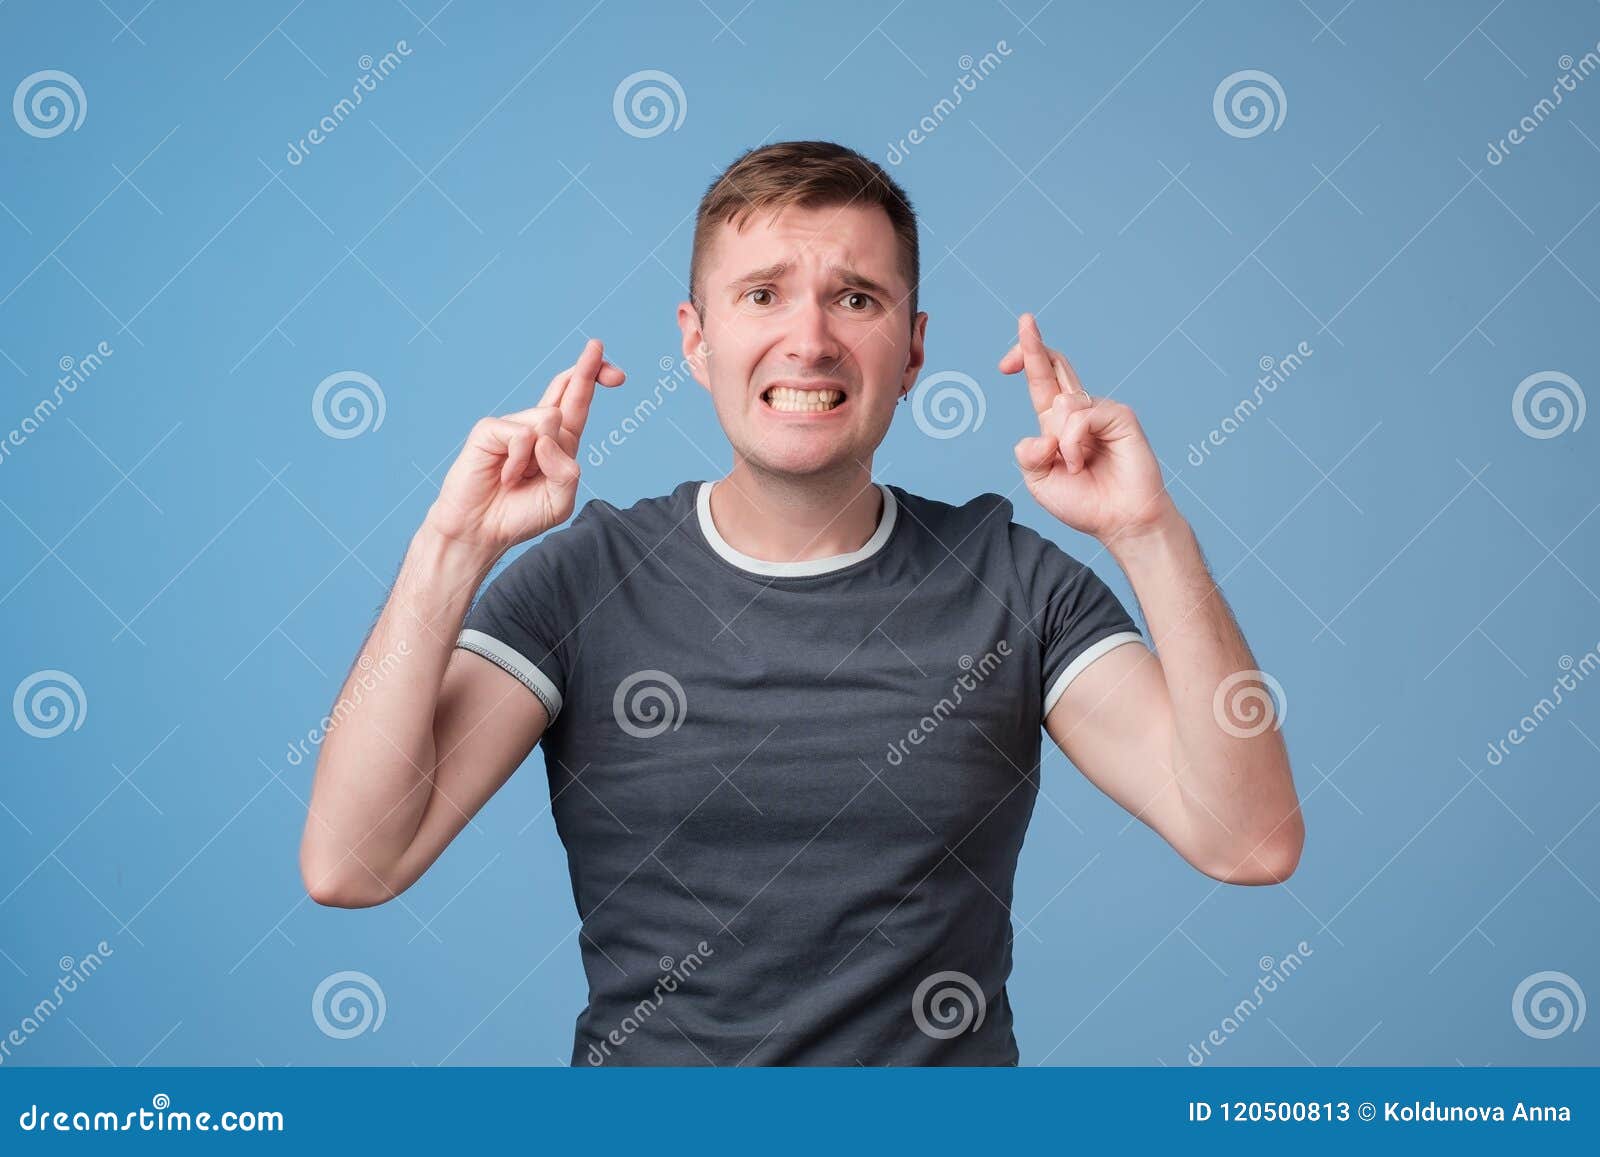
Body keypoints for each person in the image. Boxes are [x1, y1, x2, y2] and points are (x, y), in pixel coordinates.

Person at [297, 140, 1304, 1066]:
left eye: (855, 299)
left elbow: (1246, 838)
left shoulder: (1014, 581)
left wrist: (1146, 532)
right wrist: (451, 546)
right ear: (695, 340)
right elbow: (352, 861)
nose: (809, 338)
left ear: (911, 352)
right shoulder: (582, 579)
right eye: (763, 294)